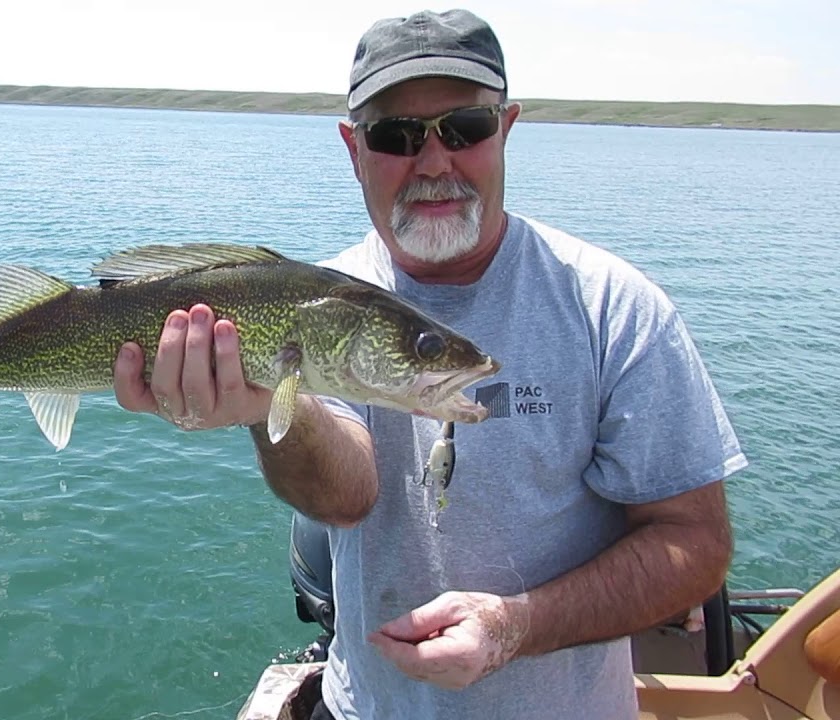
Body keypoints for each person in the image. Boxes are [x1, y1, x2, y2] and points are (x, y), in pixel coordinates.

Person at [112, 8, 746, 720]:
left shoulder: (614, 309)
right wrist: (265, 410)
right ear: (354, 149)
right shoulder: (318, 305)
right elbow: (345, 498)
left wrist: (516, 627)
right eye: (396, 136)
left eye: (464, 128)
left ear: (505, 129)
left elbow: (696, 541)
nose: (434, 161)